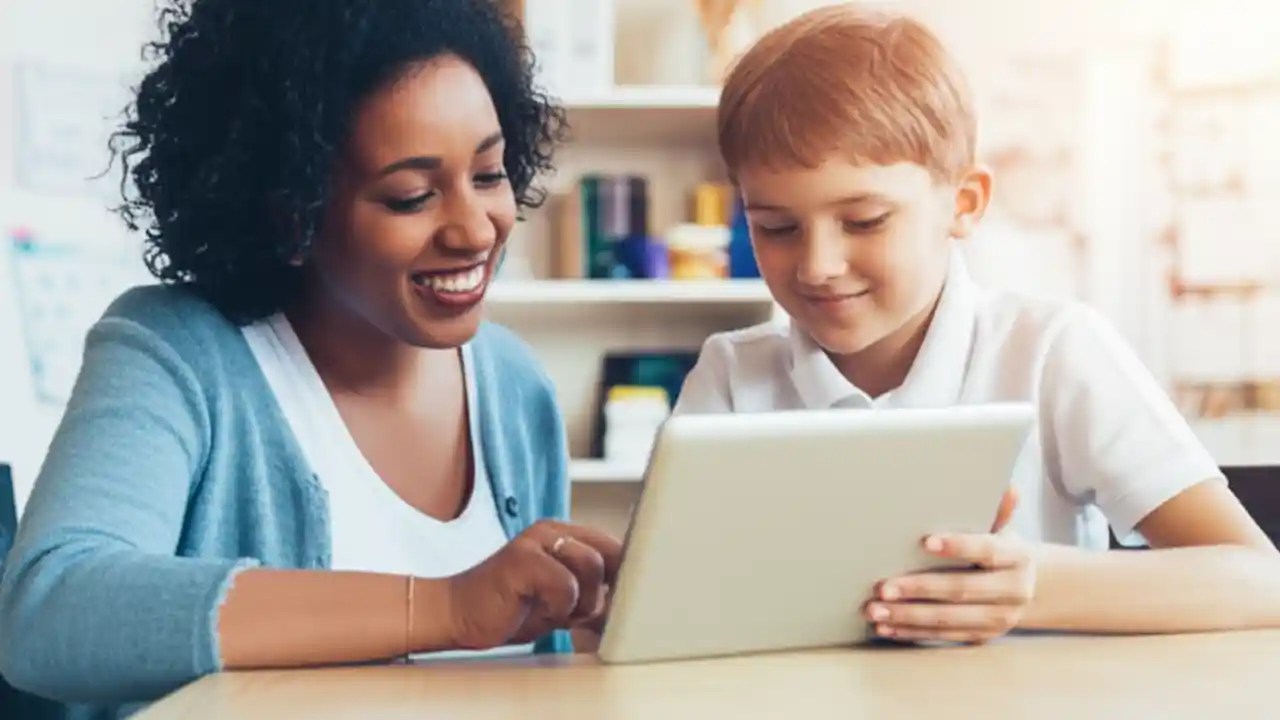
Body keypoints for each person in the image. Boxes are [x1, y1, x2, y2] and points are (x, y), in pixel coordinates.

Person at [0, 1, 620, 715]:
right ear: (290, 213)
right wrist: (446, 606)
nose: (476, 229)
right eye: (411, 196)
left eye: (488, 174)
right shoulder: (178, 355)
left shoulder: (514, 387)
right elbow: (51, 612)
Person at [675, 4, 1280, 643]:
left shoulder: (1052, 352)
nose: (819, 266)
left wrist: (1035, 588)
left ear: (963, 204)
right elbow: (672, 603)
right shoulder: (732, 375)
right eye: (776, 228)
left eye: (865, 222)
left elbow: (1261, 579)